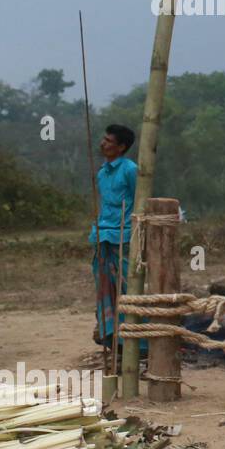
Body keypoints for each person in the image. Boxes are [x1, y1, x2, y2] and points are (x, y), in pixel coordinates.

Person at [90, 124, 137, 355]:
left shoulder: (130, 170)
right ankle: (111, 336)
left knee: (128, 287)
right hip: (103, 234)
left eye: (109, 141)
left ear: (121, 147)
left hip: (124, 236)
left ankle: (139, 342)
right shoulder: (101, 172)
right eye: (104, 139)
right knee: (105, 287)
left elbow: (141, 199)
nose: (103, 143)